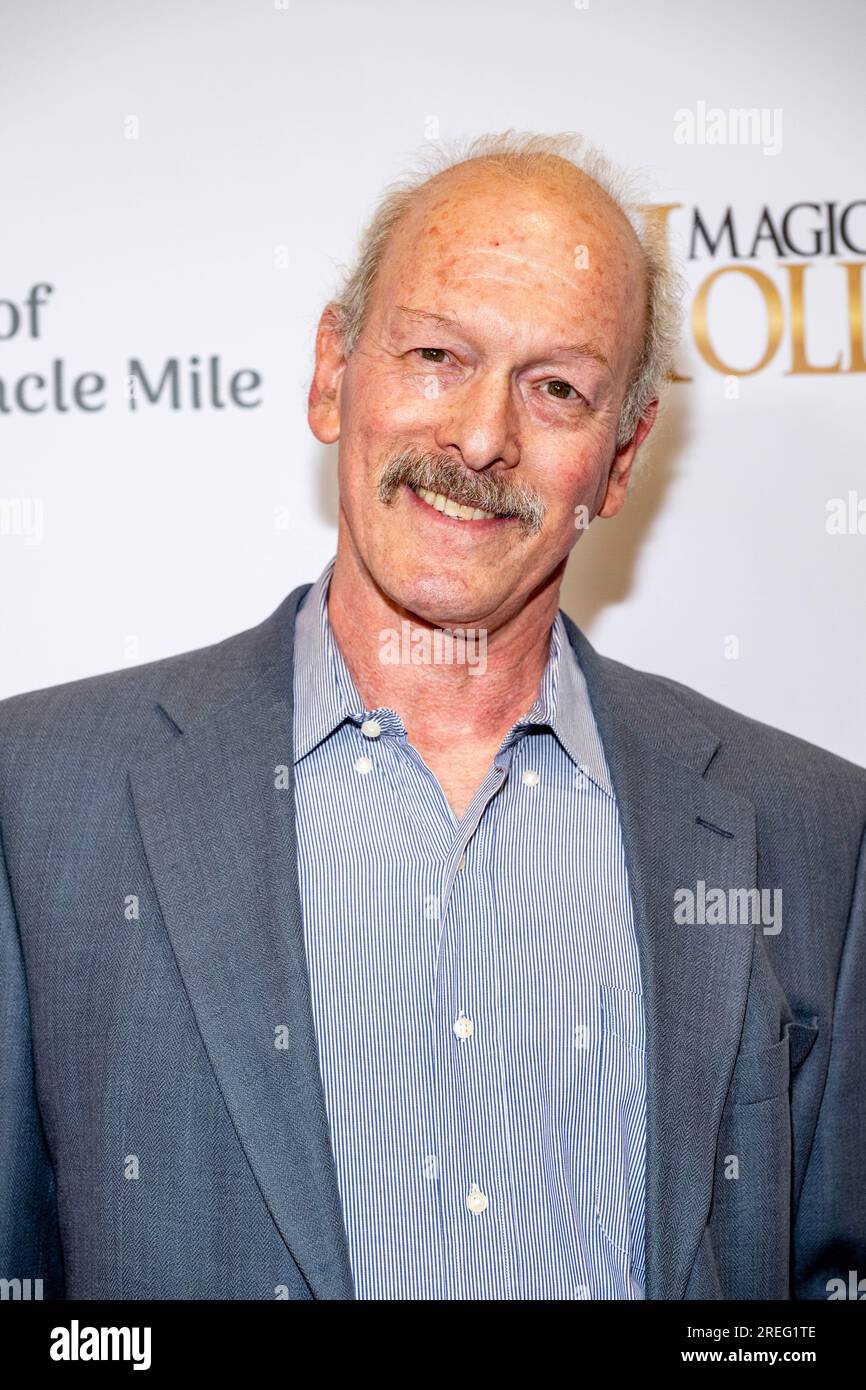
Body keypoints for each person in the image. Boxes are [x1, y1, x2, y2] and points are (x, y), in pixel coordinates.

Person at [1, 132, 864, 1301]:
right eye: (435, 353)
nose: (477, 439)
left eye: (556, 386)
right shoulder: (39, 797)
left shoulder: (808, 829)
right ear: (329, 371)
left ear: (618, 459)